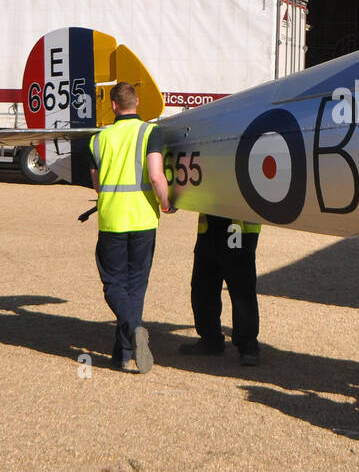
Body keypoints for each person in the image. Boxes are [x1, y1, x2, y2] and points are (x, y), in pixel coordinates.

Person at [89, 82, 171, 373]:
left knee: (113, 284)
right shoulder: (151, 132)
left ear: (113, 105)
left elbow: (98, 184)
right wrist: (166, 203)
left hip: (111, 219)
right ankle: (126, 345)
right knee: (136, 285)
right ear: (137, 102)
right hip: (143, 219)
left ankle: (125, 347)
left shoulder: (98, 139)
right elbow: (156, 175)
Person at [180, 215, 263, 366]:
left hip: (238, 228)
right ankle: (210, 339)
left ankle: (248, 346)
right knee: (203, 285)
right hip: (210, 226)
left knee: (241, 289)